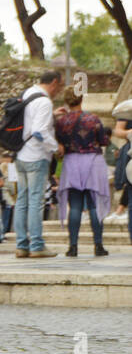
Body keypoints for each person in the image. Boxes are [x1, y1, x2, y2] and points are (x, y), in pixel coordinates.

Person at [54, 87, 111, 257]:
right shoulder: (92, 118)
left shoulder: (61, 122)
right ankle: (98, 245)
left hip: (72, 162)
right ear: (81, 99)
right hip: (93, 161)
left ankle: (73, 247)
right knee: (94, 205)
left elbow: (58, 141)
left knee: (76, 206)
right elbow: (103, 140)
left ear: (66, 101)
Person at [14, 69, 64, 258]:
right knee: (36, 201)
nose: (58, 90)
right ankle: (36, 245)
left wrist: (51, 114)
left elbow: (30, 121)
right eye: (59, 86)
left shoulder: (28, 93)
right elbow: (39, 130)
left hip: (20, 154)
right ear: (54, 82)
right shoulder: (44, 101)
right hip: (36, 156)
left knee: (22, 200)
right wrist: (55, 147)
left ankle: (21, 245)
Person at [0, 153, 17, 234]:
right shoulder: (5, 167)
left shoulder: (16, 168)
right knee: (6, 214)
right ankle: (3, 232)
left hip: (15, 196)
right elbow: (6, 185)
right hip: (7, 195)